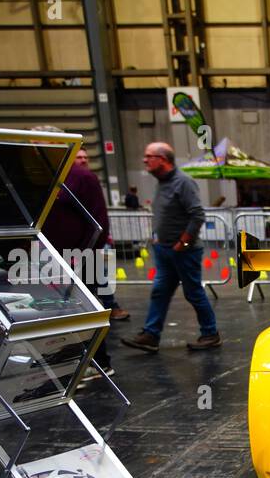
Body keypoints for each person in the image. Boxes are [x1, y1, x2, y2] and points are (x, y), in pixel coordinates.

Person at [35, 135, 122, 379]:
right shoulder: (49, 178)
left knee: (84, 310)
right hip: (55, 257)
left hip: (80, 258)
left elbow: (99, 223)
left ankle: (98, 362)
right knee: (63, 312)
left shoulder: (82, 177)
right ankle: (72, 359)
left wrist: (81, 257)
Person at [122, 142, 220, 352]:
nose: (144, 160)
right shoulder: (162, 183)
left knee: (193, 293)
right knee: (160, 292)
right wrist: (158, 239)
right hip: (165, 250)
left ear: (163, 160)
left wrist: (182, 244)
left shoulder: (183, 182)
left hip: (184, 251)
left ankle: (210, 333)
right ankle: (151, 334)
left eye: (149, 156)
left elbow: (197, 215)